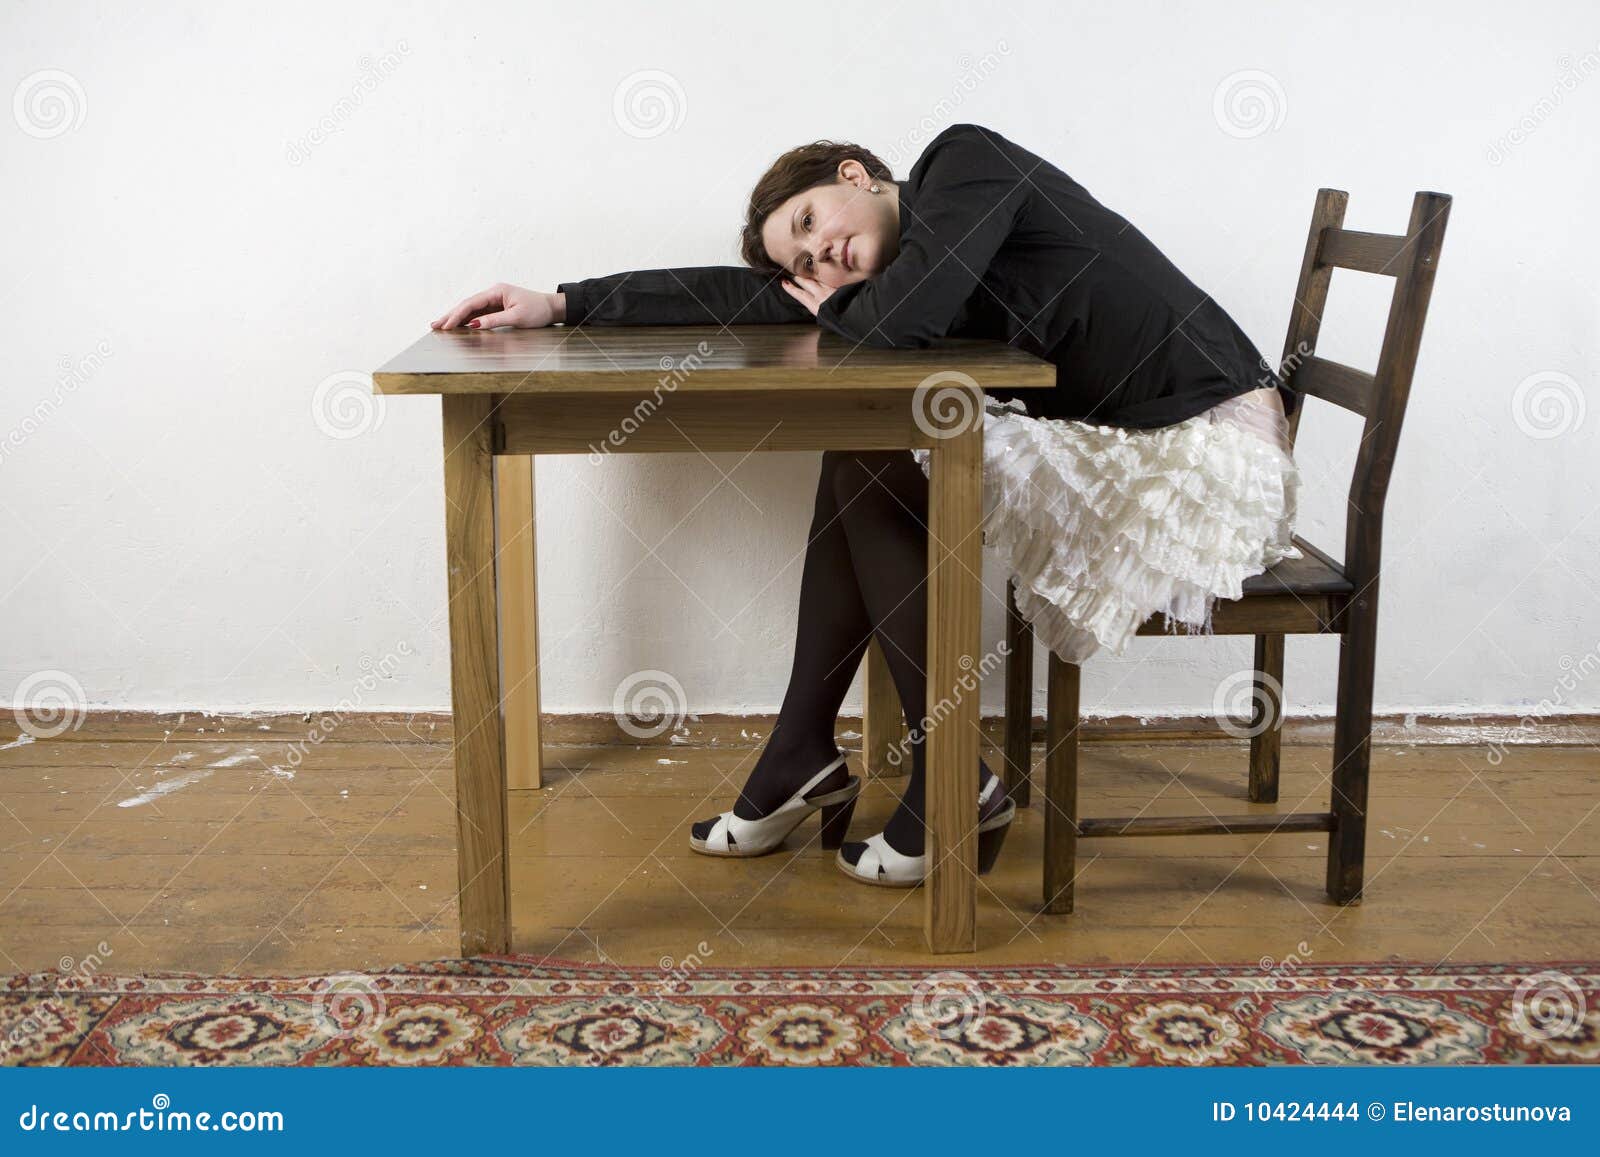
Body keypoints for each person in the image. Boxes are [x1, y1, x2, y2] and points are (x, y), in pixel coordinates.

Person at [430, 123, 1302, 888]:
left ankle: (902, 770)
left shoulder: (967, 162)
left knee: (868, 450)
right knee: (863, 448)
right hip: (1133, 436)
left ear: (855, 175)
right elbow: (752, 301)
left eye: (812, 224)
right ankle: (828, 758)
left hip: (1208, 450)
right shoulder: (893, 268)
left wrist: (840, 305)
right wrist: (563, 303)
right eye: (800, 261)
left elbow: (905, 320)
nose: (820, 259)